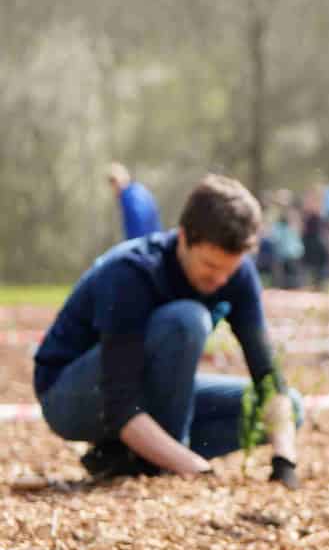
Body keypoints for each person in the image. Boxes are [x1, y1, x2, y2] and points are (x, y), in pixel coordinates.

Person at [35, 174, 303, 485]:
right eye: (210, 267)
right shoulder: (133, 272)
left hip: (143, 394)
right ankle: (163, 462)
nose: (220, 281)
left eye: (229, 271)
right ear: (185, 237)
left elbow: (268, 377)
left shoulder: (236, 275)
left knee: (289, 409)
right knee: (186, 320)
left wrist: (285, 461)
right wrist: (195, 469)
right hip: (70, 396)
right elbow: (119, 404)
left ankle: (130, 459)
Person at [108, 163, 161, 242]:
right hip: (156, 241)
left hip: (144, 245)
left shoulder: (128, 197)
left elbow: (138, 226)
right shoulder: (140, 190)